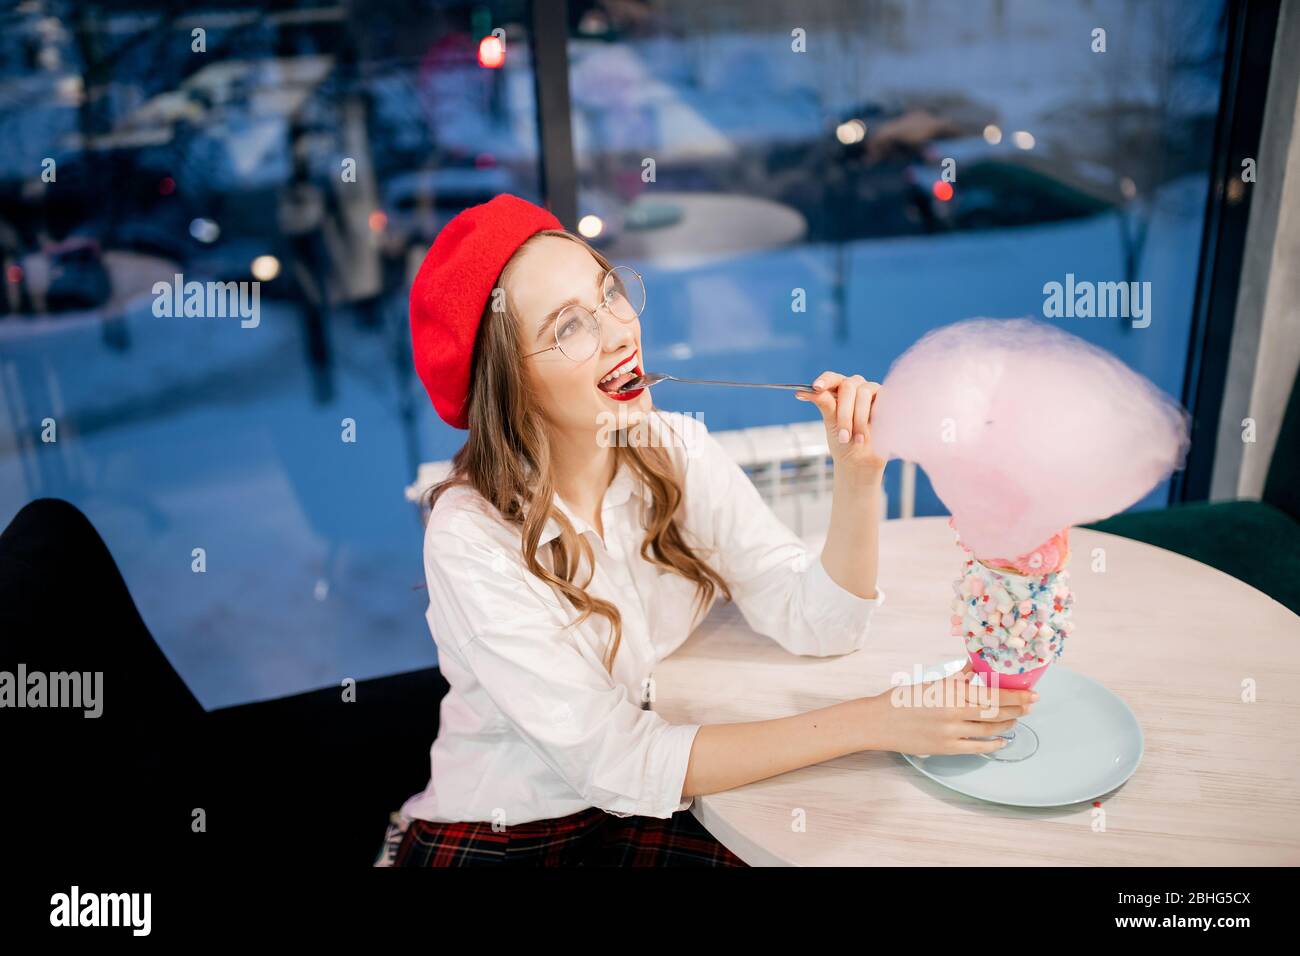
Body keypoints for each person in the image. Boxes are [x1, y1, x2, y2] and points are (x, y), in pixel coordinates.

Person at [384, 193, 1036, 867]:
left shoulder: (676, 449)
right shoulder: (471, 537)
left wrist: (858, 474)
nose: (618, 332)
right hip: (509, 830)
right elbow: (614, 761)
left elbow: (819, 624)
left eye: (609, 293)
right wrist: (877, 720)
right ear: (508, 383)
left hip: (650, 794)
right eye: (569, 327)